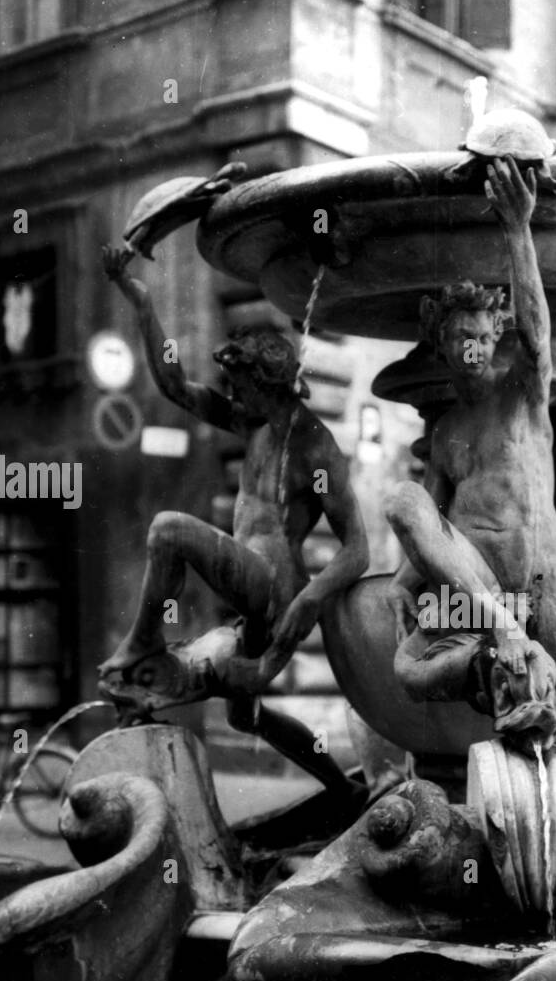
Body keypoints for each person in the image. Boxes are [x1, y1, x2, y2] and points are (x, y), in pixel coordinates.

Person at [383, 156, 556, 746]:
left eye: (484, 337)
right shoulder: (446, 432)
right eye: (462, 337)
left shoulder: (523, 394)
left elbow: (538, 333)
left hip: (542, 573)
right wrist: (402, 585)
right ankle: (500, 646)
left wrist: (518, 229)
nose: (475, 349)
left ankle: (508, 664)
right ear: (442, 344)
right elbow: (426, 522)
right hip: (480, 586)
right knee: (407, 665)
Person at [97, 246, 369, 700]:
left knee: (167, 529)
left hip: (276, 590)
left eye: (241, 387)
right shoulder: (253, 423)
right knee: (243, 715)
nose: (234, 396)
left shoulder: (315, 446)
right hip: (251, 592)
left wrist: (311, 598)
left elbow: (357, 549)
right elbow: (176, 386)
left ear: (266, 385)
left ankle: (143, 640)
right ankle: (322, 764)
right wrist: (143, 305)